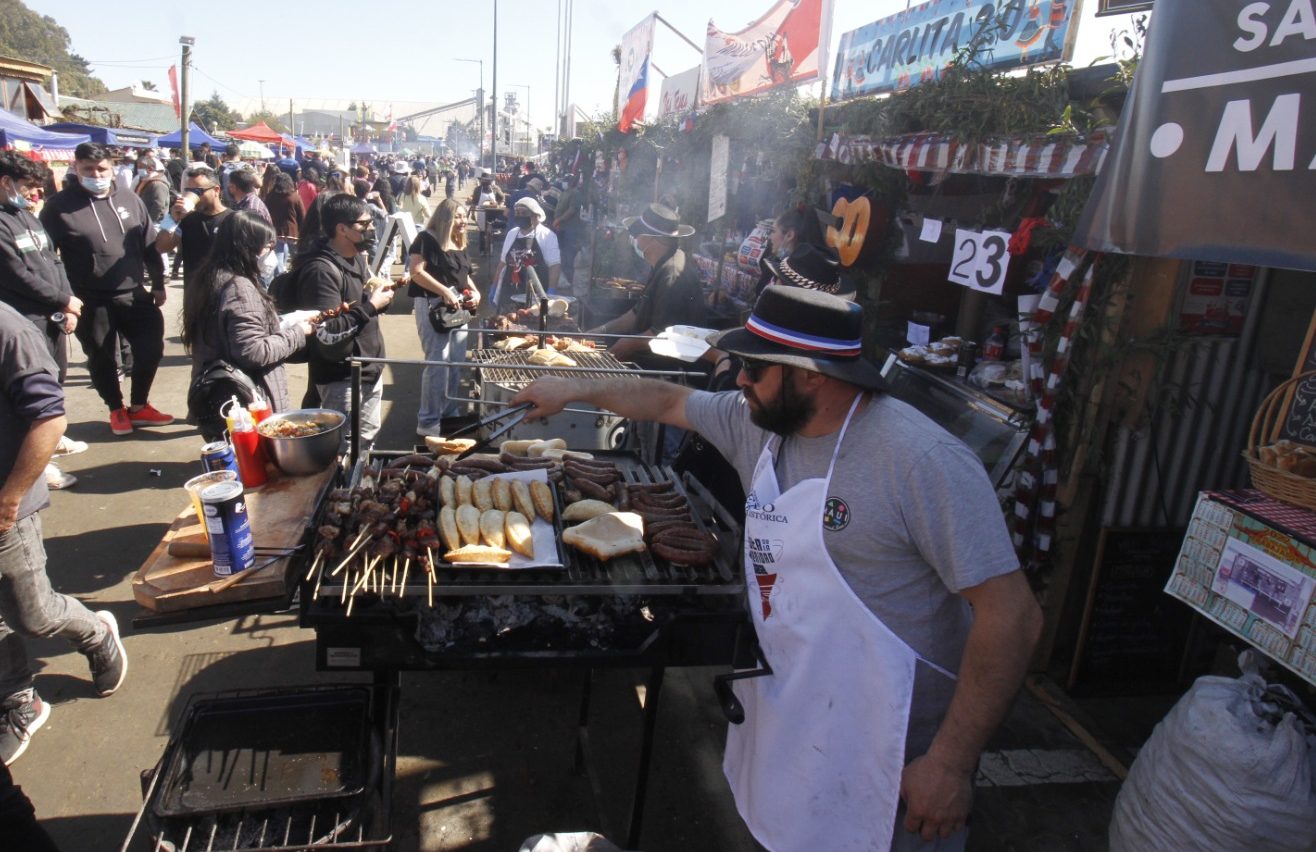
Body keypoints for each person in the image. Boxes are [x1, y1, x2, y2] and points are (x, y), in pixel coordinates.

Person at [513, 284, 1042, 851]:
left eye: (753, 367)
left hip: (889, 757)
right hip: (789, 716)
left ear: (811, 374)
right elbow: (665, 400)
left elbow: (1012, 616)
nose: (738, 378)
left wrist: (951, 763)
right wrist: (571, 389)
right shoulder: (760, 423)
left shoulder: (920, 462)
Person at [0, 300, 128, 765]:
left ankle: (97, 634)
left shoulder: (7, 331)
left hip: (5, 510)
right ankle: (18, 698)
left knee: (32, 614)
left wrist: (9, 498)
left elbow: (50, 419)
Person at [40, 142, 173, 436]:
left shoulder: (129, 199)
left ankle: (139, 407)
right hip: (90, 297)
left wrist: (159, 282)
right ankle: (115, 408)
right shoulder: (58, 207)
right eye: (89, 169)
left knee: (150, 348)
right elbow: (48, 258)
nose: (96, 174)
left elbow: (148, 243)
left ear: (112, 169)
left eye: (102, 169)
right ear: (76, 168)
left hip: (133, 292)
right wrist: (63, 299)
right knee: (102, 357)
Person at [181, 211, 313, 433]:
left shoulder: (209, 276)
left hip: (221, 394)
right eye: (267, 247)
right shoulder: (239, 287)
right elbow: (253, 351)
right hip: (248, 401)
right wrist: (298, 333)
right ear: (247, 248)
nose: (270, 254)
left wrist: (281, 322)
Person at [0, 152, 85, 490]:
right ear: (6, 182)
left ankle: (51, 441)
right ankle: (38, 467)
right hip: (23, 320)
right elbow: (15, 273)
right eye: (27, 187)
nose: (34, 194)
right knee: (29, 395)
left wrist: (67, 303)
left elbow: (53, 260)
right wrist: (62, 299)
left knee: (54, 381)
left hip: (51, 316)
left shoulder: (26, 216)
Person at [294, 194, 394, 446]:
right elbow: (326, 331)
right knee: (341, 447)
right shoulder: (321, 271)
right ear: (342, 229)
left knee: (366, 440)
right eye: (364, 224)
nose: (371, 228)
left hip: (369, 368)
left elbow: (362, 306)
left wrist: (379, 299)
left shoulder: (358, 259)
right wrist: (371, 306)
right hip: (342, 378)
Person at [589, 204, 703, 362]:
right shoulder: (663, 263)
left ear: (652, 238)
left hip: (666, 370)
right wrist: (602, 331)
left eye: (636, 233)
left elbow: (663, 334)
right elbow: (636, 313)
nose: (634, 239)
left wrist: (624, 346)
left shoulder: (671, 274)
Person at [408, 198, 481, 438]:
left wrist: (476, 292)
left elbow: (464, 275)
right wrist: (445, 291)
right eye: (458, 217)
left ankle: (449, 412)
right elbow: (416, 273)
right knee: (437, 364)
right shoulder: (426, 239)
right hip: (433, 306)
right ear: (445, 218)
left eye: (464, 216)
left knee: (456, 361)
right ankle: (427, 420)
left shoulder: (459, 241)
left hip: (458, 308)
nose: (463, 221)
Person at [155, 165, 231, 296]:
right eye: (188, 190)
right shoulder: (188, 220)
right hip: (194, 296)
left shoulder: (232, 219)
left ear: (216, 190)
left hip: (225, 294)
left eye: (197, 191)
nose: (192, 195)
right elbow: (161, 247)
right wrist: (171, 219)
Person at [491, 197, 559, 311]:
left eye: (524, 213)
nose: (520, 215)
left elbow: (555, 266)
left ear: (536, 215)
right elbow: (502, 263)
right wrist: (494, 287)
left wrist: (551, 291)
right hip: (510, 292)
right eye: (517, 212)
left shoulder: (547, 235)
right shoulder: (512, 234)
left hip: (536, 296)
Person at [264, 171, 304, 276]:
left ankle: (280, 280)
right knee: (297, 258)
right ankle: (298, 276)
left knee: (279, 259)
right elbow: (302, 216)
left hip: (276, 232)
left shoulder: (270, 197)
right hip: (293, 233)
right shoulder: (294, 197)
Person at [469, 171, 504, 254]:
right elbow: (474, 202)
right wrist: (473, 213)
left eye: (487, 180)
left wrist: (499, 205)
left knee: (492, 231)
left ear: (490, 181)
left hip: (494, 212)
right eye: (483, 180)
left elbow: (502, 198)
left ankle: (492, 247)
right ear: (481, 181)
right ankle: (482, 250)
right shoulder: (477, 190)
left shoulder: (495, 188)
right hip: (481, 212)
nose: (485, 182)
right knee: (482, 231)